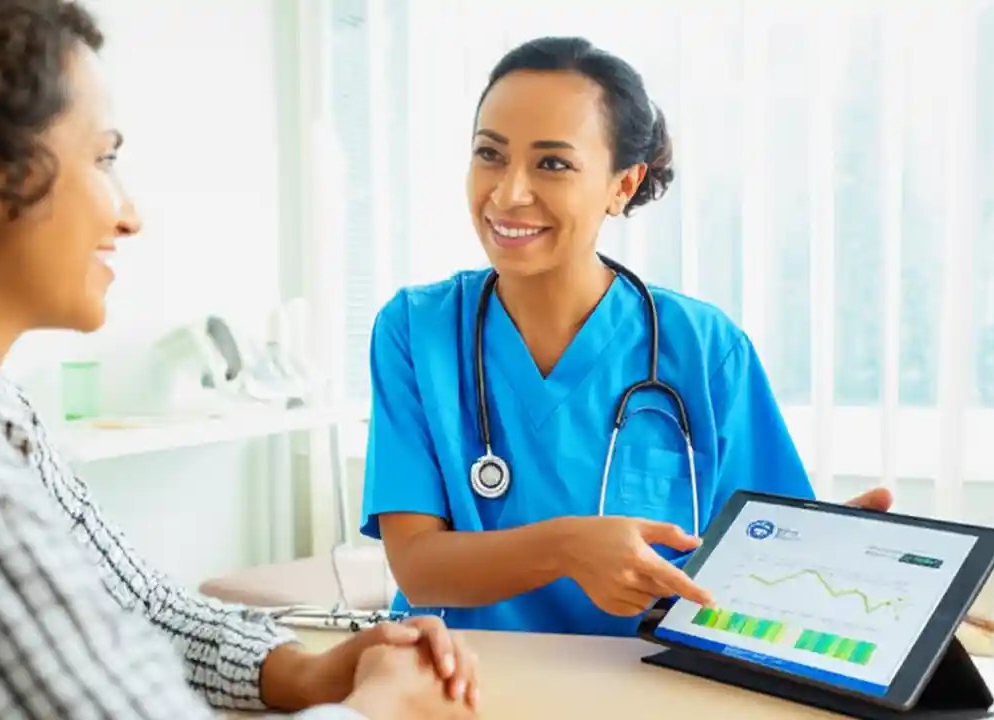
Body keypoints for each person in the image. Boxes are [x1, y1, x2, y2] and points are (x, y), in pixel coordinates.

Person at [0, 1, 477, 718]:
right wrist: (381, 711)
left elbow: (137, 605)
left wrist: (306, 674)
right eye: (102, 158)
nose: (128, 213)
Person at [360, 36, 895, 636]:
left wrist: (847, 577)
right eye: (490, 154)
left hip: (645, 683)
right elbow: (421, 569)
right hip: (465, 678)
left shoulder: (704, 348)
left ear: (622, 185)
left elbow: (754, 563)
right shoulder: (416, 329)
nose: (508, 192)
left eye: (552, 163)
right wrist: (567, 546)